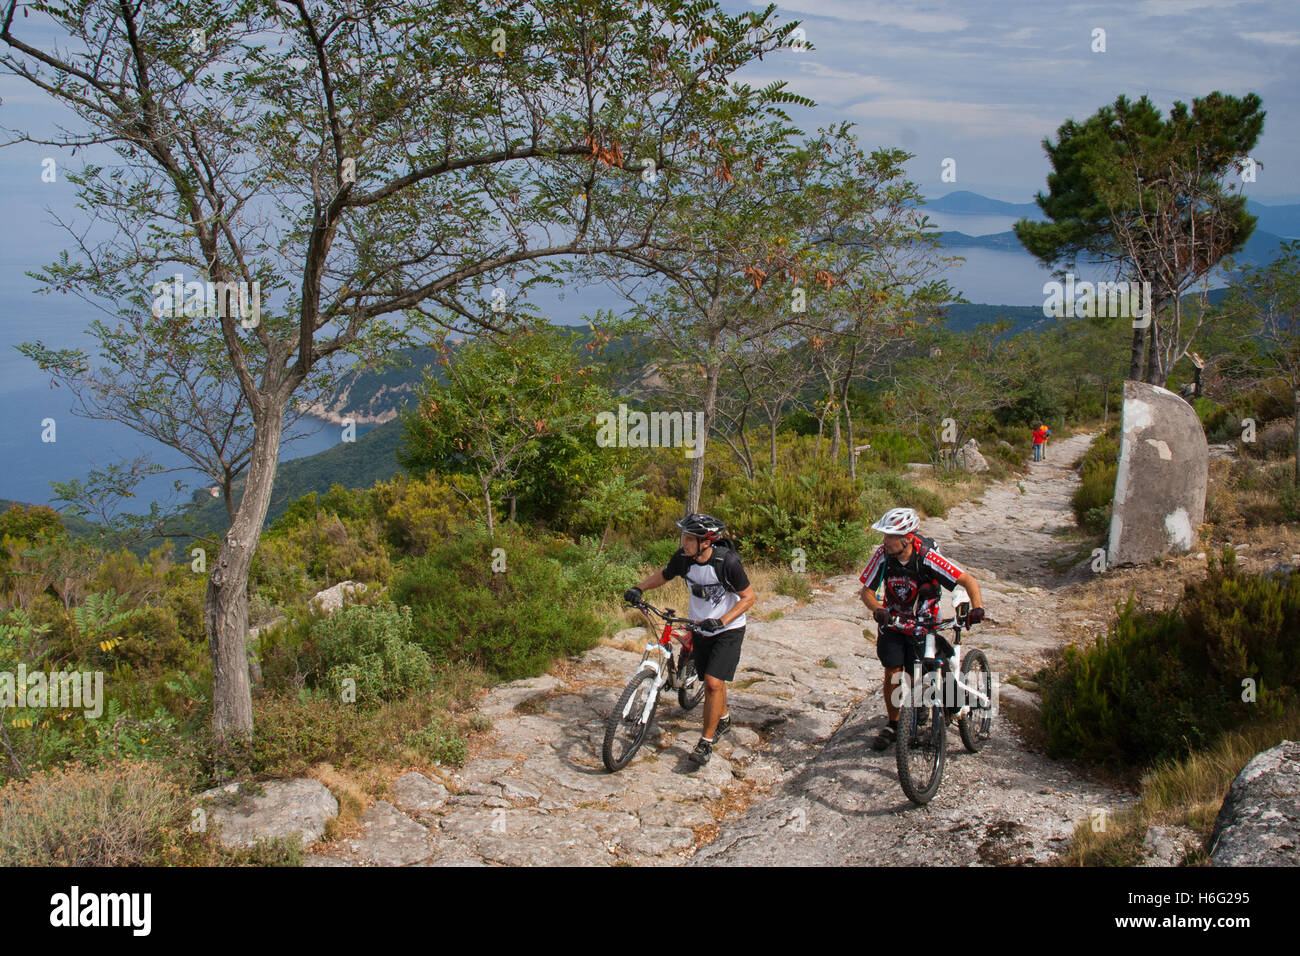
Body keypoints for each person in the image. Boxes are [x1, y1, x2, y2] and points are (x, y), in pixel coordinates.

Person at [624, 513, 756, 767]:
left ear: (705, 542)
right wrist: (639, 588)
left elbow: (748, 597)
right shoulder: (684, 559)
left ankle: (705, 743)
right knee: (710, 680)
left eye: (689, 538)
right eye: (683, 536)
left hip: (727, 630)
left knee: (713, 684)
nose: (683, 542)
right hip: (699, 627)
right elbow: (665, 574)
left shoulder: (726, 563)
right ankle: (723, 718)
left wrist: (723, 621)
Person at [857, 507, 985, 751]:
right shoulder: (882, 556)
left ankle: (937, 706)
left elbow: (967, 580)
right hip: (893, 621)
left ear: (906, 537)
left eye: (889, 536)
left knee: (927, 669)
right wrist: (877, 609)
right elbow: (866, 592)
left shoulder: (928, 557)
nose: (884, 541)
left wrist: (977, 607)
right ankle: (894, 724)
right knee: (893, 671)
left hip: (923, 623)